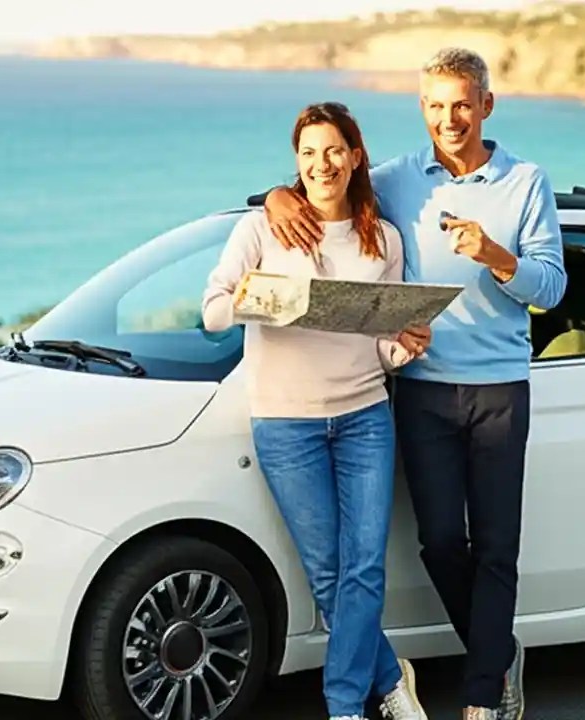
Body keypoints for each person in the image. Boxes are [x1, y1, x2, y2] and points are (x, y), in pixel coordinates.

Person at [254, 48, 567, 720]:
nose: (448, 119)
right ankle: (498, 653)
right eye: (434, 106)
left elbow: (554, 286)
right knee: (440, 545)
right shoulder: (397, 182)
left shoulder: (527, 183)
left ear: (486, 105)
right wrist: (280, 194)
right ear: (421, 110)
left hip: (500, 387)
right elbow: (325, 192)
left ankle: (484, 698)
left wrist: (496, 257)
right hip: (420, 388)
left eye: (460, 104)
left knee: (496, 547)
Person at [202, 101, 432, 720]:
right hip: (286, 422)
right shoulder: (261, 228)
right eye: (307, 154)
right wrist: (268, 300)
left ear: (356, 157)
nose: (320, 164)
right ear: (295, 162)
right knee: (328, 575)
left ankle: (344, 707)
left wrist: (404, 344)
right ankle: (388, 680)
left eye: (333, 151)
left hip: (364, 416)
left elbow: (379, 347)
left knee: (364, 569)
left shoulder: (383, 240)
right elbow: (214, 310)